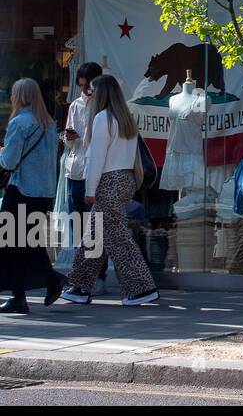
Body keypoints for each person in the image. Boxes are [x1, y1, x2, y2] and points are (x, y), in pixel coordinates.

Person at [60, 75, 158, 306]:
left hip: (108, 182)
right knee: (94, 236)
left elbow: (96, 158)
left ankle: (142, 287)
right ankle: (79, 286)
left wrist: (90, 188)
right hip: (125, 179)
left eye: (92, 92)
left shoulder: (103, 119)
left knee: (116, 238)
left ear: (100, 94)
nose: (89, 96)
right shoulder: (125, 119)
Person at [0, 79, 65, 312]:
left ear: (20, 96)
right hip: (43, 192)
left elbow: (9, 160)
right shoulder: (48, 124)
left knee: (12, 242)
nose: (11, 97)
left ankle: (41, 284)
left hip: (21, 190)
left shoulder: (19, 123)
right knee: (28, 242)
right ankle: (25, 293)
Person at [60, 62, 108, 293]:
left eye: (88, 86)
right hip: (75, 169)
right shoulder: (75, 106)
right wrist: (69, 137)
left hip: (94, 171)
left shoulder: (103, 108)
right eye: (81, 86)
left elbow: (101, 142)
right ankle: (81, 275)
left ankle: (98, 275)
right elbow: (70, 141)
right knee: (77, 224)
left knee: (95, 226)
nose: (85, 91)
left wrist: (80, 136)